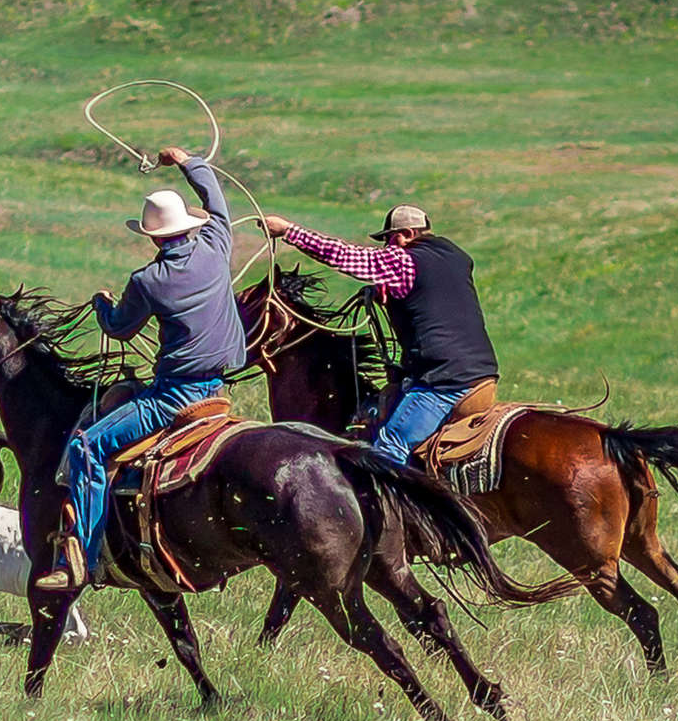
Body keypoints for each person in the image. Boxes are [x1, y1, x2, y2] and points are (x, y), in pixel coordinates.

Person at [36, 146, 246, 591]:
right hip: (221, 388)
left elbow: (120, 329)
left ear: (152, 238)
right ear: (189, 226)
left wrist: (101, 306)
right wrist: (187, 160)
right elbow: (217, 200)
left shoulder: (148, 281)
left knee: (87, 448)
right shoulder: (217, 243)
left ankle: (84, 557)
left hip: (176, 396)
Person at [257, 203, 498, 468]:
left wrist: (288, 231)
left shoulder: (404, 260)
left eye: (389, 240)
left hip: (445, 380)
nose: (387, 248)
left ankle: (390, 509)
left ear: (406, 234)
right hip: (482, 373)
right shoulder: (456, 256)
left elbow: (342, 255)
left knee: (389, 446)